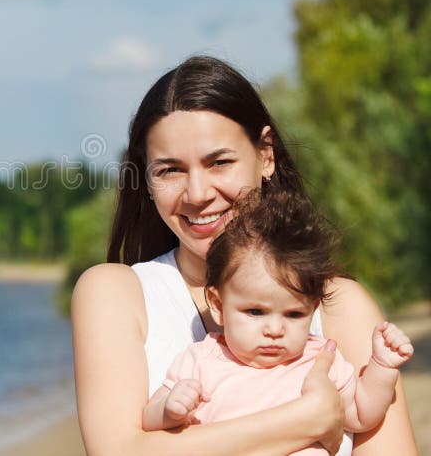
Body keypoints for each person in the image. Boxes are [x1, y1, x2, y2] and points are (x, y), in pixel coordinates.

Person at [71, 56, 418, 455]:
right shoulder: (116, 294)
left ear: (265, 155)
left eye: (219, 162)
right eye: (170, 170)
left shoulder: (339, 304)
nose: (198, 194)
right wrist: (306, 419)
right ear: (147, 180)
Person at [142, 190, 414, 454]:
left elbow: (360, 414)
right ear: (218, 305)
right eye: (255, 312)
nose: (274, 330)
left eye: (294, 314)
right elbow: (148, 420)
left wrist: (382, 368)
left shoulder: (318, 360)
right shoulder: (202, 361)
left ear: (313, 309)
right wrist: (170, 409)